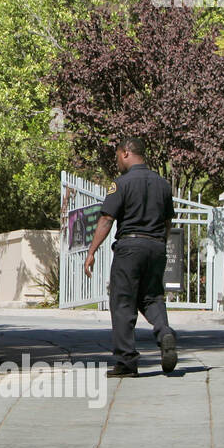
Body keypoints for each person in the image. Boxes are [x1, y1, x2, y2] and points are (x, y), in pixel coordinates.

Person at [83, 136, 178, 377]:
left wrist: (92, 251)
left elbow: (106, 219)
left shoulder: (121, 183)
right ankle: (164, 331)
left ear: (126, 152)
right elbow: (168, 222)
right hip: (156, 246)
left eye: (117, 156)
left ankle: (126, 362)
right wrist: (158, 244)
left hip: (130, 247)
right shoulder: (163, 184)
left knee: (123, 302)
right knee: (152, 297)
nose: (117, 161)